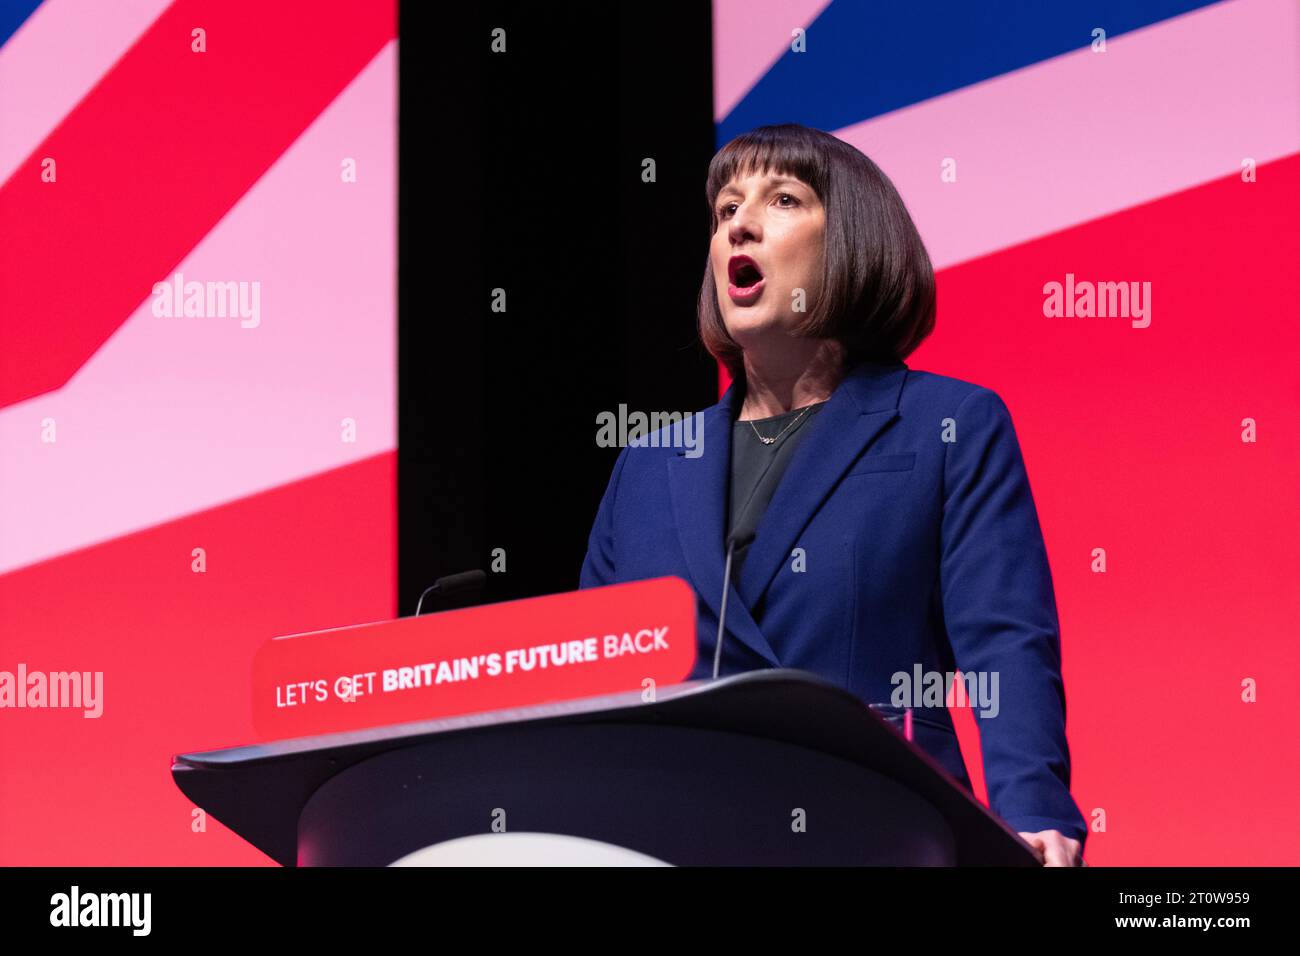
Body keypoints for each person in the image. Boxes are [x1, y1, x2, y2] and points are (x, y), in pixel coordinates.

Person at [580, 123, 1085, 866]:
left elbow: (1004, 641)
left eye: (782, 200)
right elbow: (595, 677)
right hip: (675, 838)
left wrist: (1033, 807)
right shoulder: (649, 464)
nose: (740, 225)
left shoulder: (947, 424)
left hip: (876, 826)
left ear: (852, 240)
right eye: (725, 210)